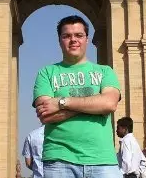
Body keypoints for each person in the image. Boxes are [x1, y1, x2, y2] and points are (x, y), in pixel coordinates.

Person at [33, 15, 122, 178]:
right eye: (67, 36)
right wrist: (95, 105)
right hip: (59, 161)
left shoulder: (105, 71)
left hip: (103, 160)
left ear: (87, 39)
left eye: (79, 35)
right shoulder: (46, 73)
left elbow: (109, 104)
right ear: (59, 40)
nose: (73, 40)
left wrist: (62, 102)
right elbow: (45, 114)